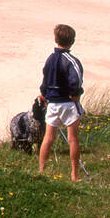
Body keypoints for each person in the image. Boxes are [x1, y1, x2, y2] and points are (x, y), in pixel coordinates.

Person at [37, 23, 85, 180]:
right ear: (73, 41)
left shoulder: (50, 59)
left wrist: (44, 94)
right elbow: (76, 81)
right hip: (67, 103)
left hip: (52, 103)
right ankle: (74, 174)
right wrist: (76, 94)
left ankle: (42, 170)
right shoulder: (71, 60)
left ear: (55, 39)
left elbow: (45, 79)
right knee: (73, 139)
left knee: (48, 138)